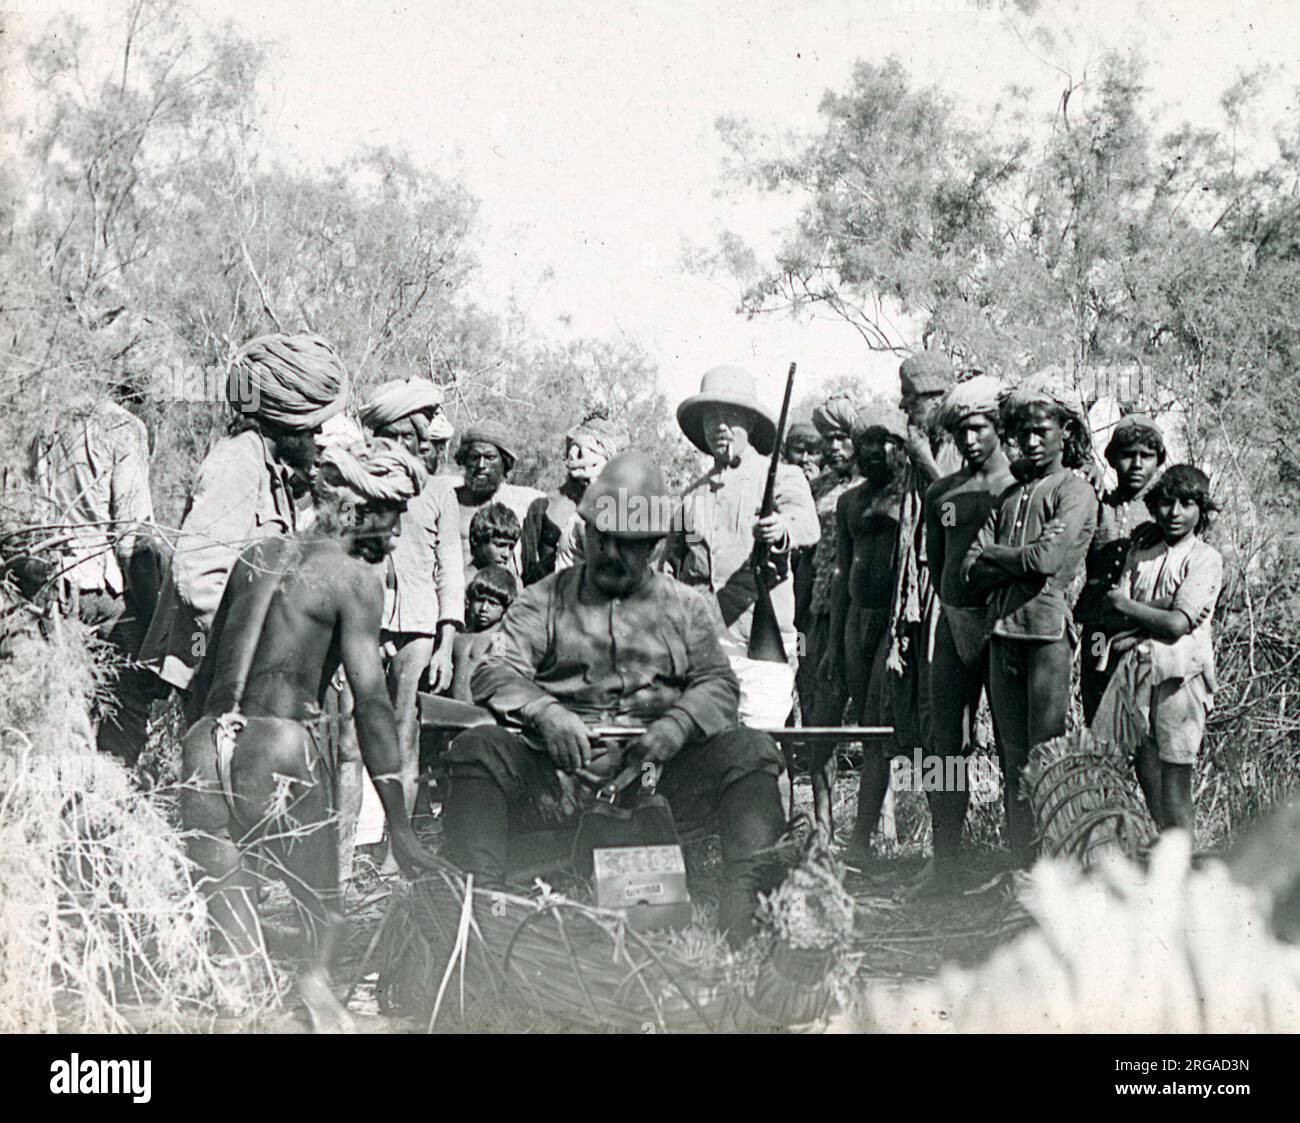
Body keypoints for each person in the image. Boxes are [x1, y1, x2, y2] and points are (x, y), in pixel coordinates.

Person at [442, 452, 786, 947]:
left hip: (659, 778)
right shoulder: (543, 599)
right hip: (562, 778)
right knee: (478, 752)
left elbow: (719, 684)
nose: (610, 554)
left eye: (629, 545)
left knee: (751, 753)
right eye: (602, 537)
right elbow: (495, 670)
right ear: (585, 531)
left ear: (654, 545)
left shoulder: (687, 607)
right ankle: (484, 917)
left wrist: (677, 725)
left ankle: (747, 921)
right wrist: (546, 713)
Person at [180, 441, 435, 1033]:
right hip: (278, 744)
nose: (395, 537)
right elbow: (372, 706)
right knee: (322, 922)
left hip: (203, 746)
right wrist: (398, 823)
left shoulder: (255, 554)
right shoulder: (353, 579)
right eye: (391, 518)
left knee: (233, 962)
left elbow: (207, 672)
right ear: (355, 509)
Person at [141, 332, 349, 707]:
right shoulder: (237, 464)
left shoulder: (271, 471)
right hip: (216, 668)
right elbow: (198, 579)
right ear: (286, 421)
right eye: (312, 426)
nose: (318, 437)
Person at [961, 369, 1098, 868]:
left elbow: (1047, 561)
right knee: (1011, 758)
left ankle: (1053, 872)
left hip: (1045, 635)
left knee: (1047, 758)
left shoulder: (1074, 490)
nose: (1033, 441)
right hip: (1002, 634)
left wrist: (999, 556)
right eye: (1024, 433)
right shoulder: (1010, 496)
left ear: (1066, 432)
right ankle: (1021, 869)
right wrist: (1007, 558)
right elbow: (969, 570)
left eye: (1044, 430)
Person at [664, 366, 819, 727]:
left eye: (730, 417)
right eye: (711, 417)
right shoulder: (691, 497)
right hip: (703, 643)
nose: (720, 426)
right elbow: (675, 562)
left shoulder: (780, 476)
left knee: (764, 745)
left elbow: (806, 525)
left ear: (749, 423)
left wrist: (780, 530)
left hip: (760, 639)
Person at [919, 375, 1016, 892]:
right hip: (952, 622)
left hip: (1004, 624)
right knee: (944, 746)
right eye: (960, 432)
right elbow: (939, 561)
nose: (969, 441)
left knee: (1011, 743)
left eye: (978, 429)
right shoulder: (942, 491)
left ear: (999, 426)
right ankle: (945, 858)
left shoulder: (1016, 485)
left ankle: (1022, 863)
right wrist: (954, 609)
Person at [24, 393, 158, 764]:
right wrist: (153, 614)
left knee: (63, 705)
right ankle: (113, 799)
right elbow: (131, 538)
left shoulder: (44, 418)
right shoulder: (125, 427)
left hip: (52, 584)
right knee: (128, 705)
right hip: (106, 589)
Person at [1092, 465, 1222, 842]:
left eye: (1186, 503)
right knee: (1146, 773)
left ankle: (1183, 865)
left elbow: (1177, 625)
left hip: (1181, 679)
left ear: (1202, 509)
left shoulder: (1204, 558)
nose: (1175, 512)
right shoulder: (1142, 553)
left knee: (1175, 780)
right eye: (1167, 503)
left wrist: (1135, 609)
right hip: (1138, 676)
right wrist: (1154, 608)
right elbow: (1111, 610)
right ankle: (1167, 857)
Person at [357, 377, 464, 818]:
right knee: (354, 728)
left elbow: (449, 570)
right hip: (364, 622)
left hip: (419, 627)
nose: (403, 445)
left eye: (411, 437)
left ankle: (394, 847)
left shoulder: (438, 492)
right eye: (393, 436)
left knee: (404, 730)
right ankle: (352, 840)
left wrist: (445, 646)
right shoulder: (359, 482)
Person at [821, 405, 910, 856]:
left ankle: (860, 839)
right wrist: (834, 641)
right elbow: (840, 573)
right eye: (866, 443)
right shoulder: (848, 502)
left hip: (893, 622)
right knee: (864, 723)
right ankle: (869, 834)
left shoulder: (911, 497)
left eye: (884, 441)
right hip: (856, 618)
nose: (874, 451)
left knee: (877, 726)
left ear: (900, 445)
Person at [884, 353, 964, 769]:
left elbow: (956, 512)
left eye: (910, 398)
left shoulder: (959, 449)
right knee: (914, 713)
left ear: (935, 400)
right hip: (915, 598)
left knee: (943, 713)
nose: (904, 408)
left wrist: (927, 463)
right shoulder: (918, 452)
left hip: (947, 594)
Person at [1074, 414, 1167, 723]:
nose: (1137, 463)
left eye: (1146, 456)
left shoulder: (1167, 513)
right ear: (1113, 460)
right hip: (1099, 627)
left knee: (1141, 719)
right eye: (1128, 455)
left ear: (1158, 461)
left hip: (1144, 630)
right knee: (1098, 710)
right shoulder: (1098, 502)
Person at [796, 394, 861, 735]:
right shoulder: (816, 487)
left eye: (843, 437)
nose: (835, 447)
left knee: (871, 713)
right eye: (829, 439)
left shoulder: (875, 483)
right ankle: (820, 789)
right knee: (817, 703)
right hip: (818, 610)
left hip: (860, 610)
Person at [520, 412, 629, 584]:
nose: (577, 457)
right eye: (577, 451)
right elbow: (529, 571)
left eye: (590, 454)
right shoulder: (544, 505)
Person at [452, 420, 543, 577]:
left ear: (504, 462)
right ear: (464, 459)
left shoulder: (523, 502)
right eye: (474, 457)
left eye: (490, 457)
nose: (481, 464)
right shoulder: (448, 501)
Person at [450, 564, 518, 702]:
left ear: (505, 608)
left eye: (493, 604)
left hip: (480, 713)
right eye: (480, 600)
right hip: (451, 708)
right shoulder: (458, 636)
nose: (484, 608)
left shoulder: (499, 639)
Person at [465, 501, 521, 586]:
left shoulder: (513, 582)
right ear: (476, 540)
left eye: (511, 547)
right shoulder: (462, 580)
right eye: (500, 545)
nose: (506, 554)